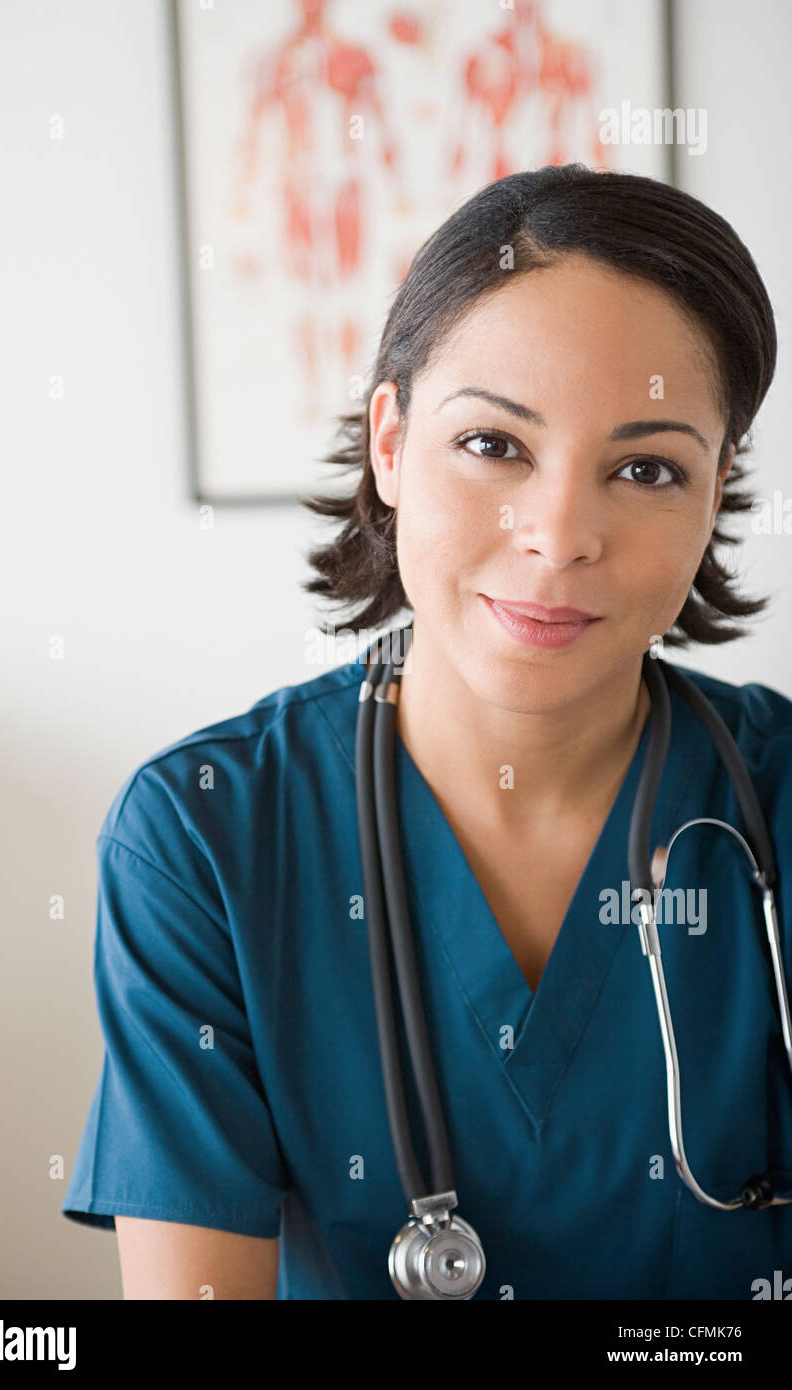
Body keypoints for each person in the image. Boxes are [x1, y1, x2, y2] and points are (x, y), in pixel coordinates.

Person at [62, 163, 792, 1299]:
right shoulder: (205, 838)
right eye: (495, 445)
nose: (558, 535)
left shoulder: (777, 800)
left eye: (645, 467)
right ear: (392, 443)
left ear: (715, 490)